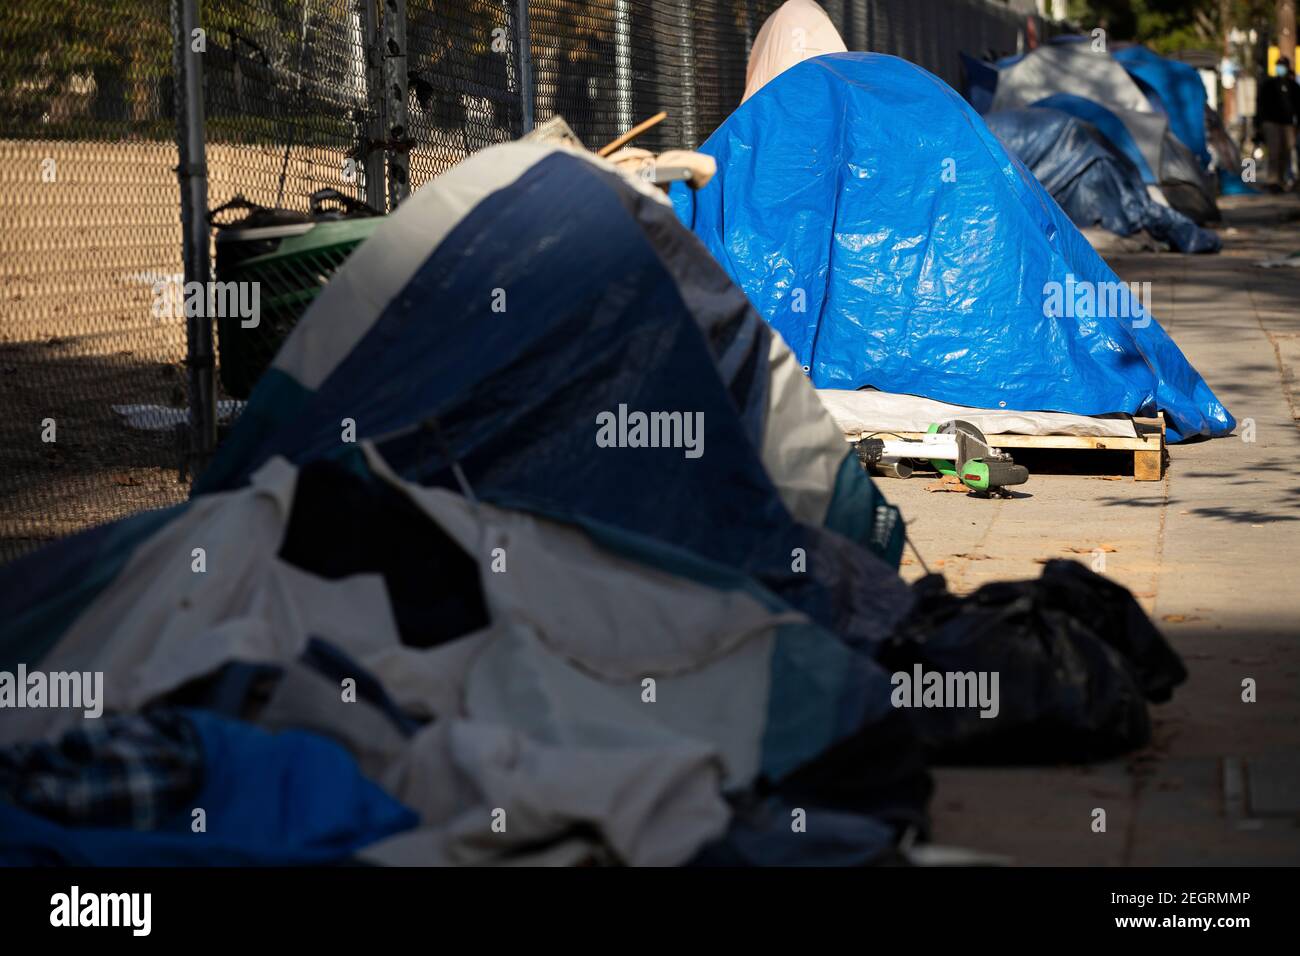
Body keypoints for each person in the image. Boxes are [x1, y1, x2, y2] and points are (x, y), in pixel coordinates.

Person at [1256, 56, 1300, 190]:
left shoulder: (1293, 86)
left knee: (1287, 152)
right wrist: (1259, 124)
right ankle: (1273, 180)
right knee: (1274, 152)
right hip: (1271, 122)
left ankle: (1282, 179)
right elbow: (1260, 104)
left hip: (1288, 123)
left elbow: (1298, 105)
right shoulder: (1268, 84)